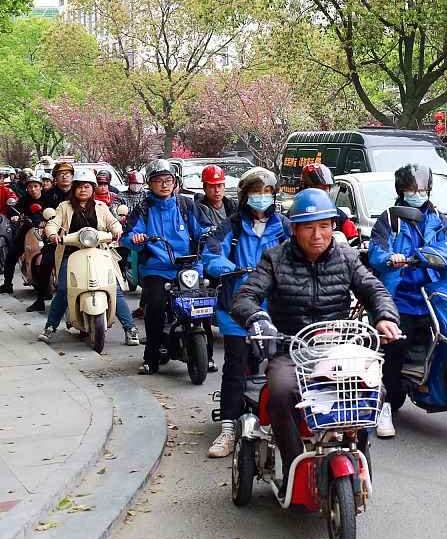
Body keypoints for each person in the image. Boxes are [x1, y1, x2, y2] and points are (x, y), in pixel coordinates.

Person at [230, 188, 402, 495]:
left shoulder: (347, 257)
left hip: (337, 349)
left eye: (324, 226)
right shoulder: (274, 259)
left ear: (333, 227)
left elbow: (374, 290)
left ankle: (359, 449)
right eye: (308, 227)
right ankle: (293, 463)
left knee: (375, 388)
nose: (318, 234)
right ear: (294, 229)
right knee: (280, 391)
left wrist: (385, 317)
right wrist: (257, 318)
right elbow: (245, 297)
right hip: (290, 351)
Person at [201, 168, 291, 458]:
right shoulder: (231, 225)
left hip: (276, 311)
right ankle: (228, 430)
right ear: (244, 195)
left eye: (267, 192)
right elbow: (211, 253)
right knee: (235, 369)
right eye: (255, 192)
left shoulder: (284, 226)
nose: (261, 197)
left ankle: (283, 426)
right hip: (237, 309)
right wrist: (230, 268)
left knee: (282, 370)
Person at [368, 163, 447, 438]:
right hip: (401, 298)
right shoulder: (390, 219)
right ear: (402, 190)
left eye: (422, 189)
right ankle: (384, 407)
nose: (417, 194)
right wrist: (390, 258)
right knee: (395, 345)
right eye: (412, 189)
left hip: (435, 296)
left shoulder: (438, 218)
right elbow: (376, 252)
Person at [122, 159, 214, 375]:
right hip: (157, 268)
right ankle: (150, 358)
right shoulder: (143, 208)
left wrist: (211, 233)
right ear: (149, 184)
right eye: (158, 181)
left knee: (202, 306)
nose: (164, 185)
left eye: (168, 180)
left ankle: (208, 356)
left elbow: (205, 228)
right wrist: (135, 238)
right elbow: (128, 235)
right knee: (155, 306)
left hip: (189, 266)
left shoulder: (187, 205)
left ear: (175, 182)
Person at [36, 168, 139, 346]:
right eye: (79, 186)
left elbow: (113, 222)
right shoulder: (64, 207)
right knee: (64, 289)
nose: (83, 190)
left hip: (99, 252)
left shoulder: (101, 207)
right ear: (74, 188)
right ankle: (50, 327)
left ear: (93, 188)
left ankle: (130, 329)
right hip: (71, 253)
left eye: (87, 187)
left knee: (114, 288)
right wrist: (52, 233)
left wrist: (117, 230)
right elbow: (53, 223)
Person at [26, 161, 75, 312]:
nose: (65, 177)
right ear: (55, 177)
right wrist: (41, 221)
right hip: (55, 237)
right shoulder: (47, 195)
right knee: (46, 263)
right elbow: (38, 212)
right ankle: (40, 299)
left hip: (77, 237)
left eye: (68, 174)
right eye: (61, 174)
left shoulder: (78, 193)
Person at [1, 171, 46, 293]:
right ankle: (7, 284)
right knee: (11, 256)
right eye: (30, 187)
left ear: (41, 187)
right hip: (28, 227)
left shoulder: (48, 198)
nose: (33, 189)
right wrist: (14, 215)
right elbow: (14, 211)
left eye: (36, 186)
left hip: (49, 230)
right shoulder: (24, 200)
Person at [299, 162, 359, 242]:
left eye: (324, 188)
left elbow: (354, 239)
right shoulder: (296, 213)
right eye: (316, 189)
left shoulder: (338, 215)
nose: (317, 236)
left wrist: (365, 242)